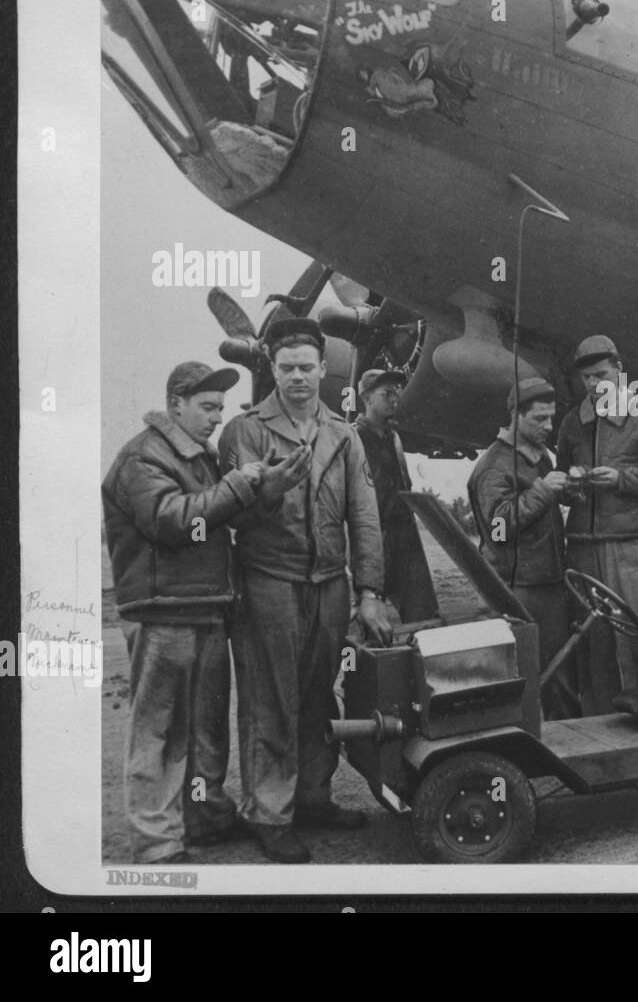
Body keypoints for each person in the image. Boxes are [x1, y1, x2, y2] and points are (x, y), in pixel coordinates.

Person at [102, 361, 302, 864]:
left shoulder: (198, 457)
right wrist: (240, 484)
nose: (217, 418)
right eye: (207, 407)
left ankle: (205, 813)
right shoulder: (141, 457)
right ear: (176, 405)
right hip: (162, 611)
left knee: (206, 727)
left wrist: (266, 493)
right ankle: (156, 845)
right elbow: (173, 523)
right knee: (161, 732)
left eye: (219, 408)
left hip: (206, 605)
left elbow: (217, 521)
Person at [219, 317, 390, 863]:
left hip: (330, 587)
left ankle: (314, 797)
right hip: (269, 581)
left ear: (323, 369)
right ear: (272, 368)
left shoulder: (344, 435)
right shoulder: (244, 432)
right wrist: (264, 491)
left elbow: (364, 517)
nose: (297, 377)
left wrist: (369, 591)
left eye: (306, 367)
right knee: (271, 700)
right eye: (286, 367)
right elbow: (231, 521)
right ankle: (269, 814)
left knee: (319, 696)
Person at [555, 335, 638, 714]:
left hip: (632, 546)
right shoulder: (571, 423)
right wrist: (571, 483)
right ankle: (600, 730)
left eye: (601, 375)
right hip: (582, 547)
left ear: (620, 371)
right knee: (593, 645)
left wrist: (621, 479)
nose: (594, 385)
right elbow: (560, 477)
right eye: (587, 379)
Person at [467, 377, 579, 720]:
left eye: (551, 418)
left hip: (546, 584)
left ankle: (566, 750)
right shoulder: (494, 466)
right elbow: (498, 529)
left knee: (560, 676)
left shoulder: (538, 458)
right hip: (520, 591)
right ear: (516, 414)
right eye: (539, 419)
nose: (548, 427)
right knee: (528, 677)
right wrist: (545, 491)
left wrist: (571, 488)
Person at [354, 368, 440, 624]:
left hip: (404, 536)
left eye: (397, 393)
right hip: (371, 538)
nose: (395, 399)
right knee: (365, 620)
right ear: (367, 398)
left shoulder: (395, 438)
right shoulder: (351, 438)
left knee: (422, 613)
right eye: (386, 394)